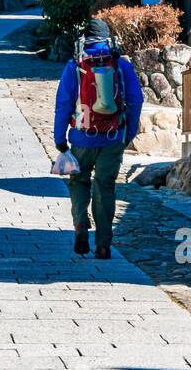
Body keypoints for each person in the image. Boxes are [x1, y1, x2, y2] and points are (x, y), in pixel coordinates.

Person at [53, 16, 143, 259]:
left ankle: (81, 224)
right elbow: (136, 99)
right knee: (105, 188)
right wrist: (128, 132)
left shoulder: (75, 64)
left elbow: (63, 103)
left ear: (86, 37)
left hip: (82, 136)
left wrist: (59, 138)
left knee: (79, 182)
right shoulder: (120, 64)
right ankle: (103, 244)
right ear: (106, 37)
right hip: (113, 137)